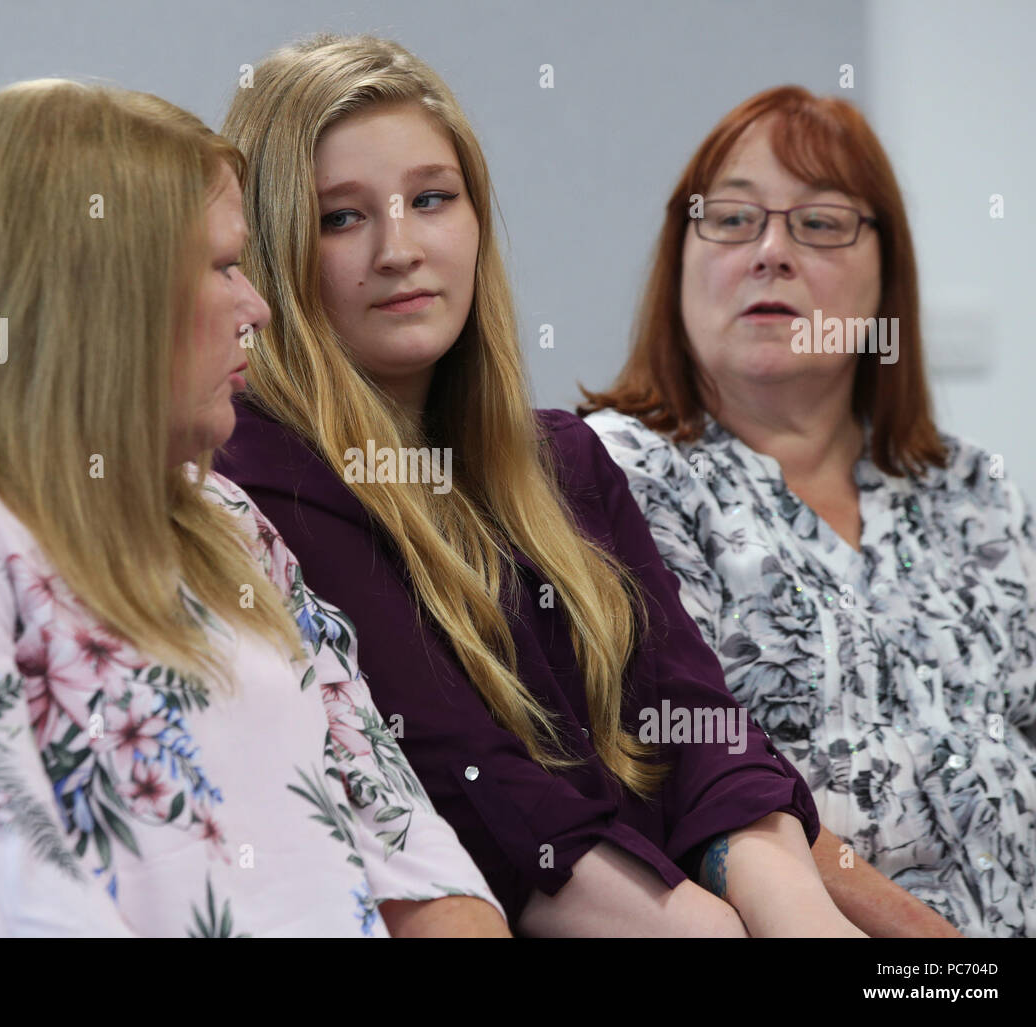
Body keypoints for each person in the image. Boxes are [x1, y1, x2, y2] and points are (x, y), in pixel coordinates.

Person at [0, 78, 509, 938]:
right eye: (225, 267)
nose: (259, 307)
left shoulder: (226, 516)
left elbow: (419, 861)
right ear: (100, 290)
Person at [212, 33, 863, 937]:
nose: (400, 248)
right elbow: (468, 780)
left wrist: (799, 912)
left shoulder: (564, 459)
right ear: (275, 250)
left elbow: (691, 721)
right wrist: (704, 928)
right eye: (342, 217)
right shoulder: (257, 471)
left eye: (432, 199)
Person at [581, 85, 1036, 938]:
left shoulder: (975, 486)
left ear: (887, 271)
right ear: (677, 258)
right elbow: (683, 779)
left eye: (822, 223)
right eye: (730, 219)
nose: (770, 252)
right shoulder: (617, 469)